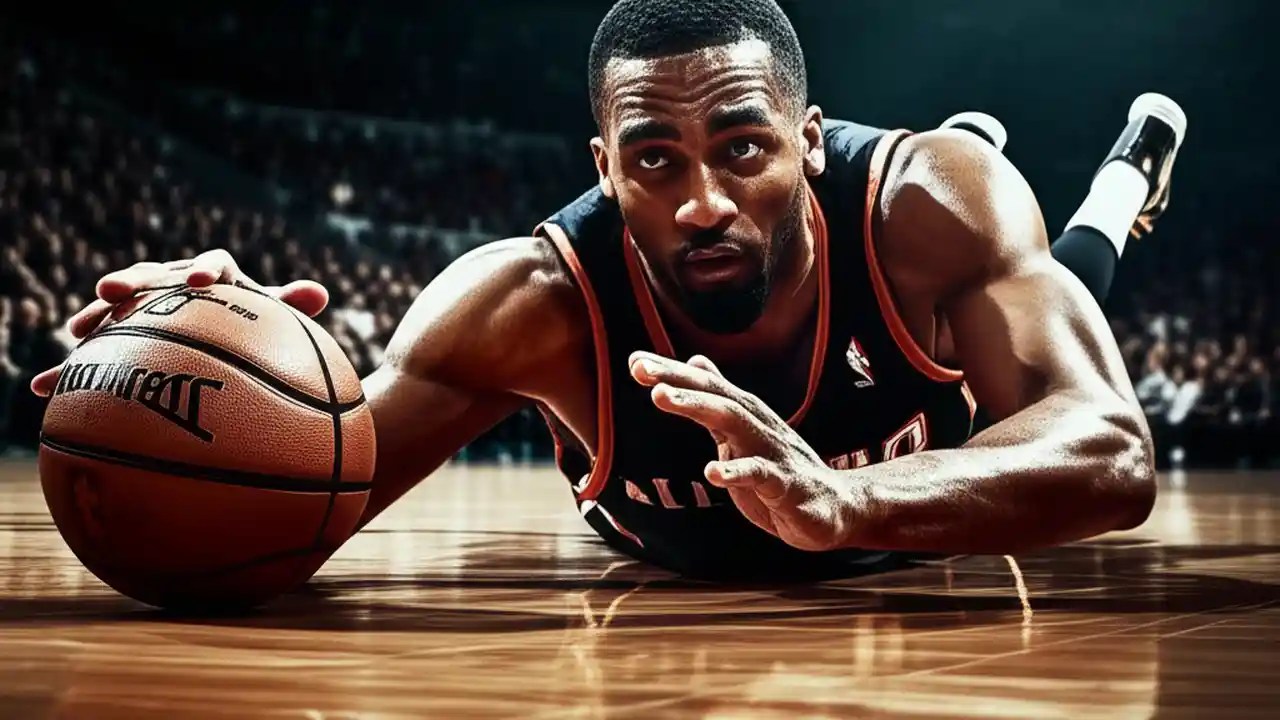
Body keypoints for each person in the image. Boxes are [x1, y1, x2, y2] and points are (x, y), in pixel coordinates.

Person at [31, 0, 1184, 579]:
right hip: (829, 420)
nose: (700, 203)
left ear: (807, 142)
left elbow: (1107, 451)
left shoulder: (919, 209)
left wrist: (843, 502)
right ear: (604, 168)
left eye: (742, 148)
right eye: (654, 160)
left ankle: (1120, 179)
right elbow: (295, 506)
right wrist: (202, 365)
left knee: (1053, 254)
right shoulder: (530, 303)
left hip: (934, 386)